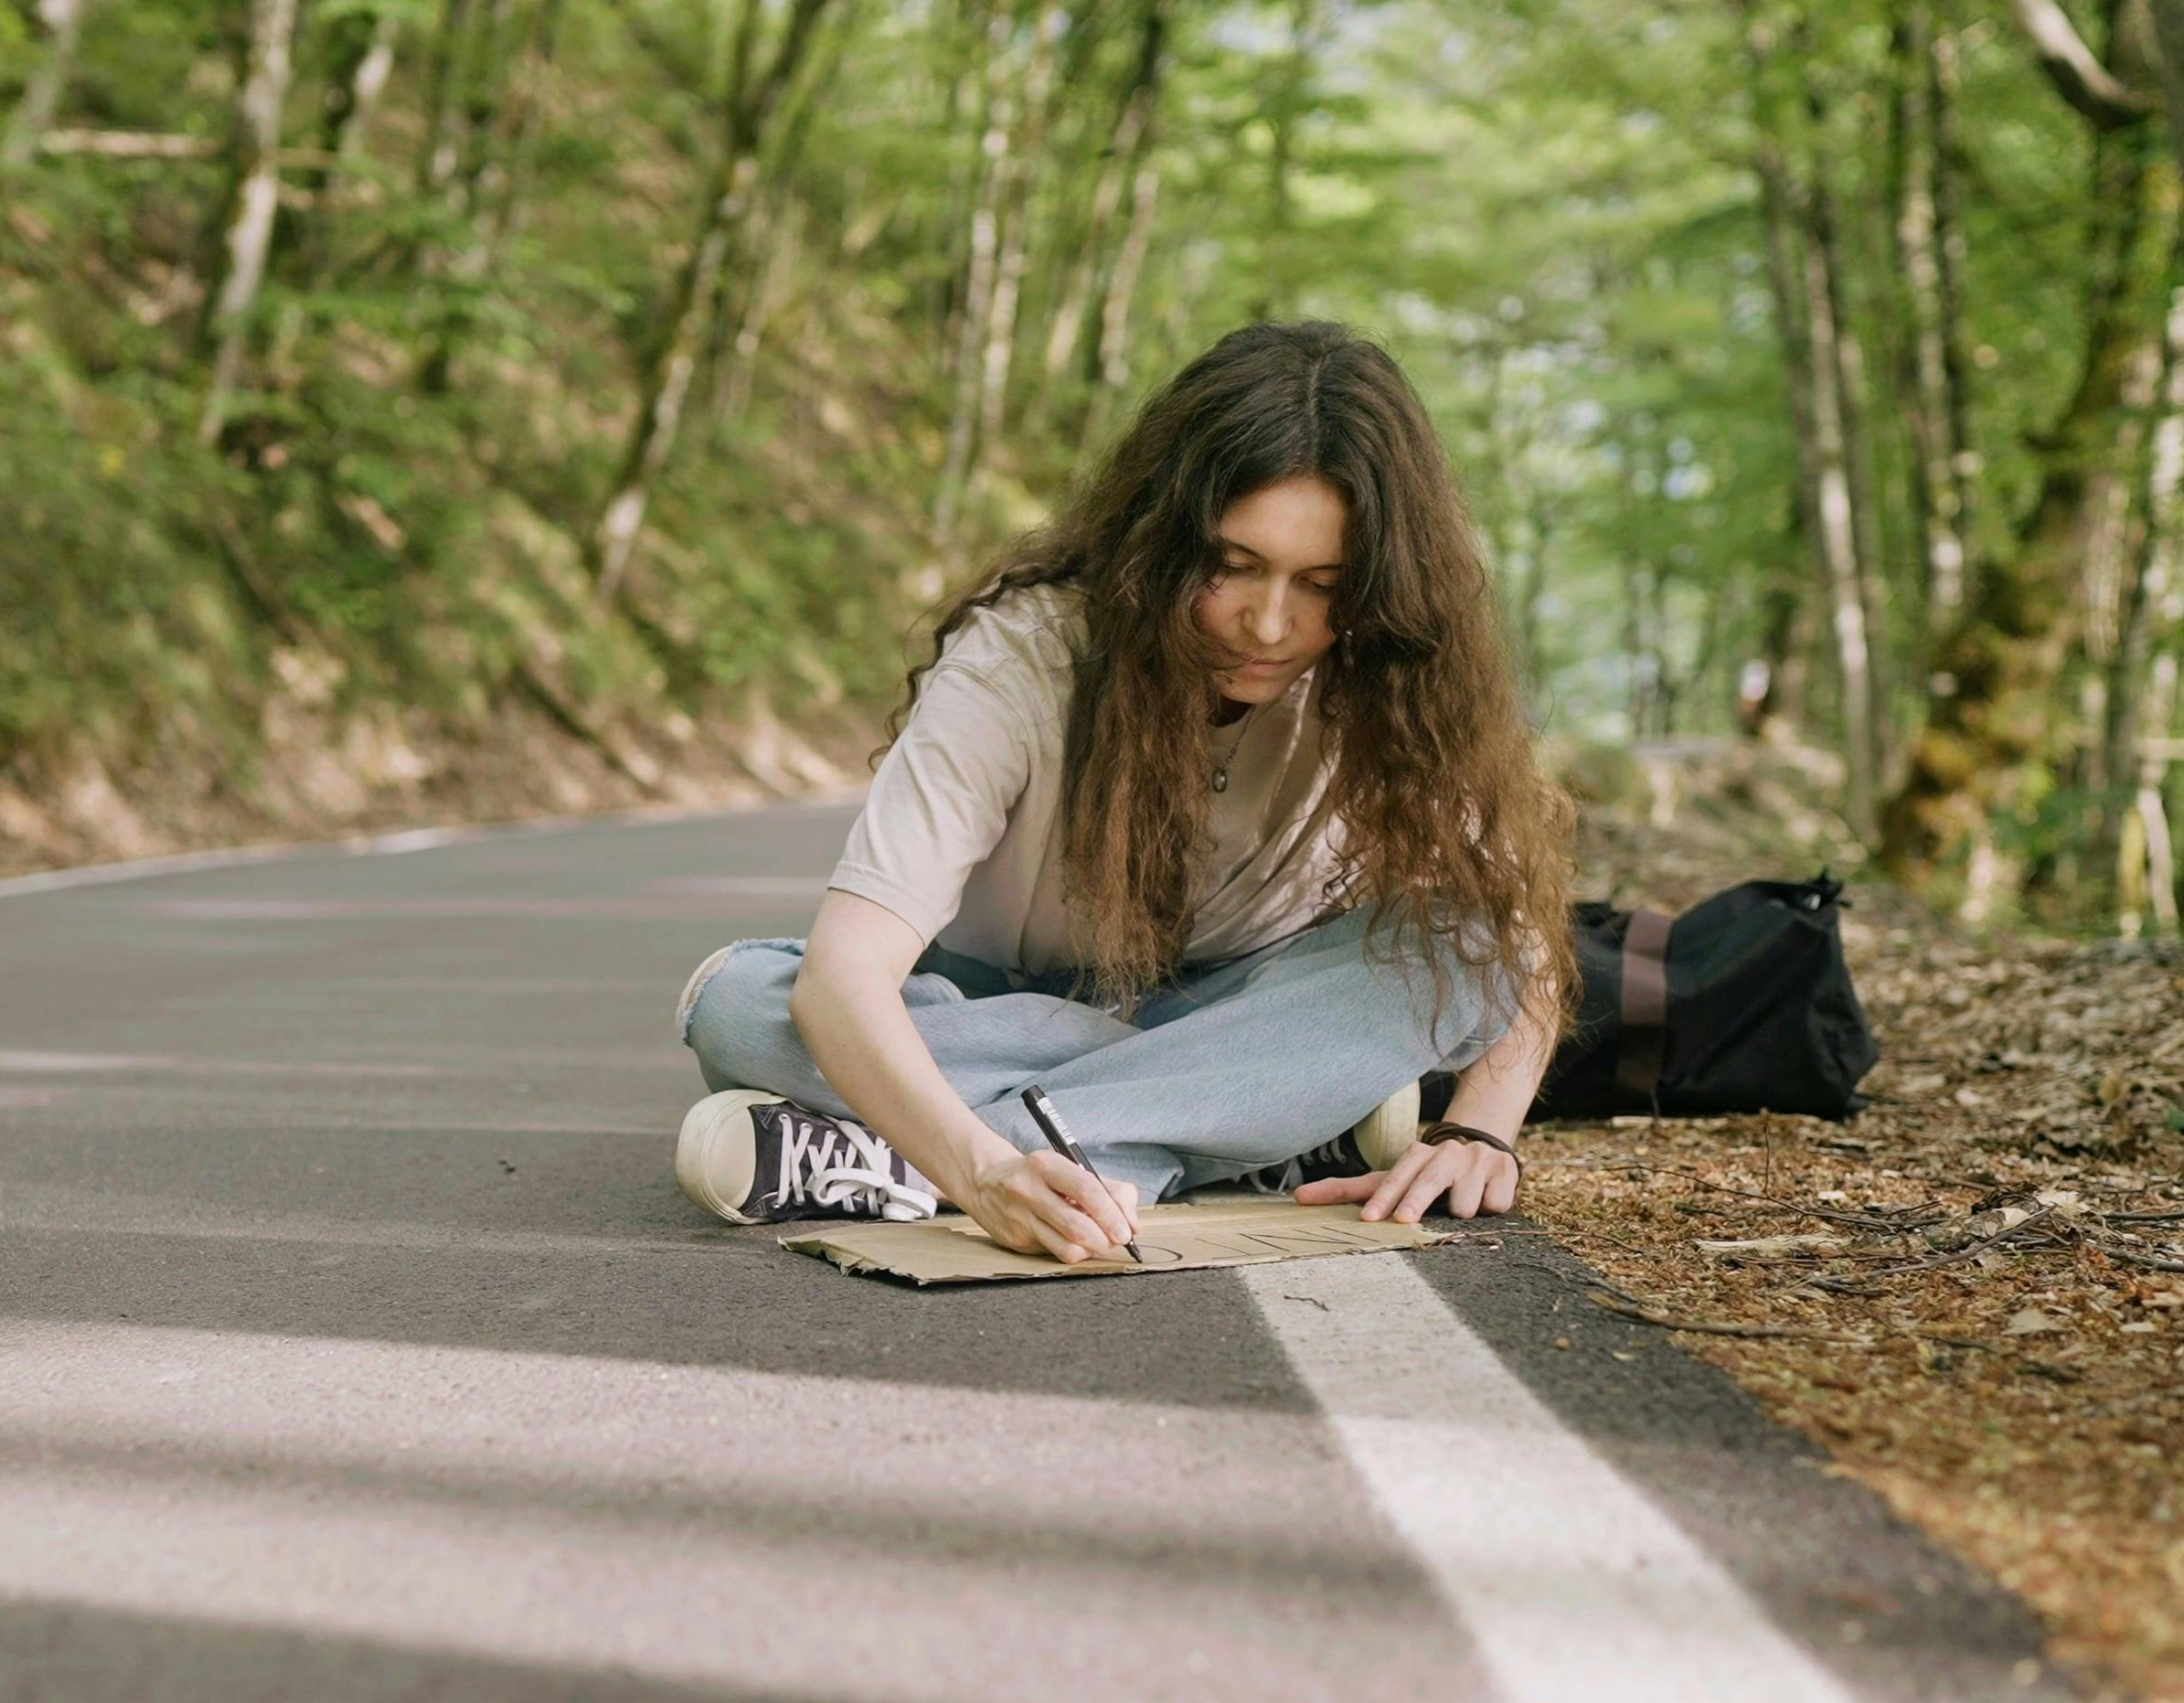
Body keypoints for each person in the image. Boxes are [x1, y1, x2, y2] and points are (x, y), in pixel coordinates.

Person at [671, 319, 1577, 1263]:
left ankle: (898, 1160)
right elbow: (843, 980)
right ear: (1163, 539)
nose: (1270, 624)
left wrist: (1480, 1127)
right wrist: (982, 1175)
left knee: (1462, 951)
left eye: (1321, 584)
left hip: (1230, 1000)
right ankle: (1254, 1121)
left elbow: (1517, 933)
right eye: (1232, 566)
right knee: (740, 1007)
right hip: (995, 1008)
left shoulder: (1395, 680)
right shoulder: (1021, 658)